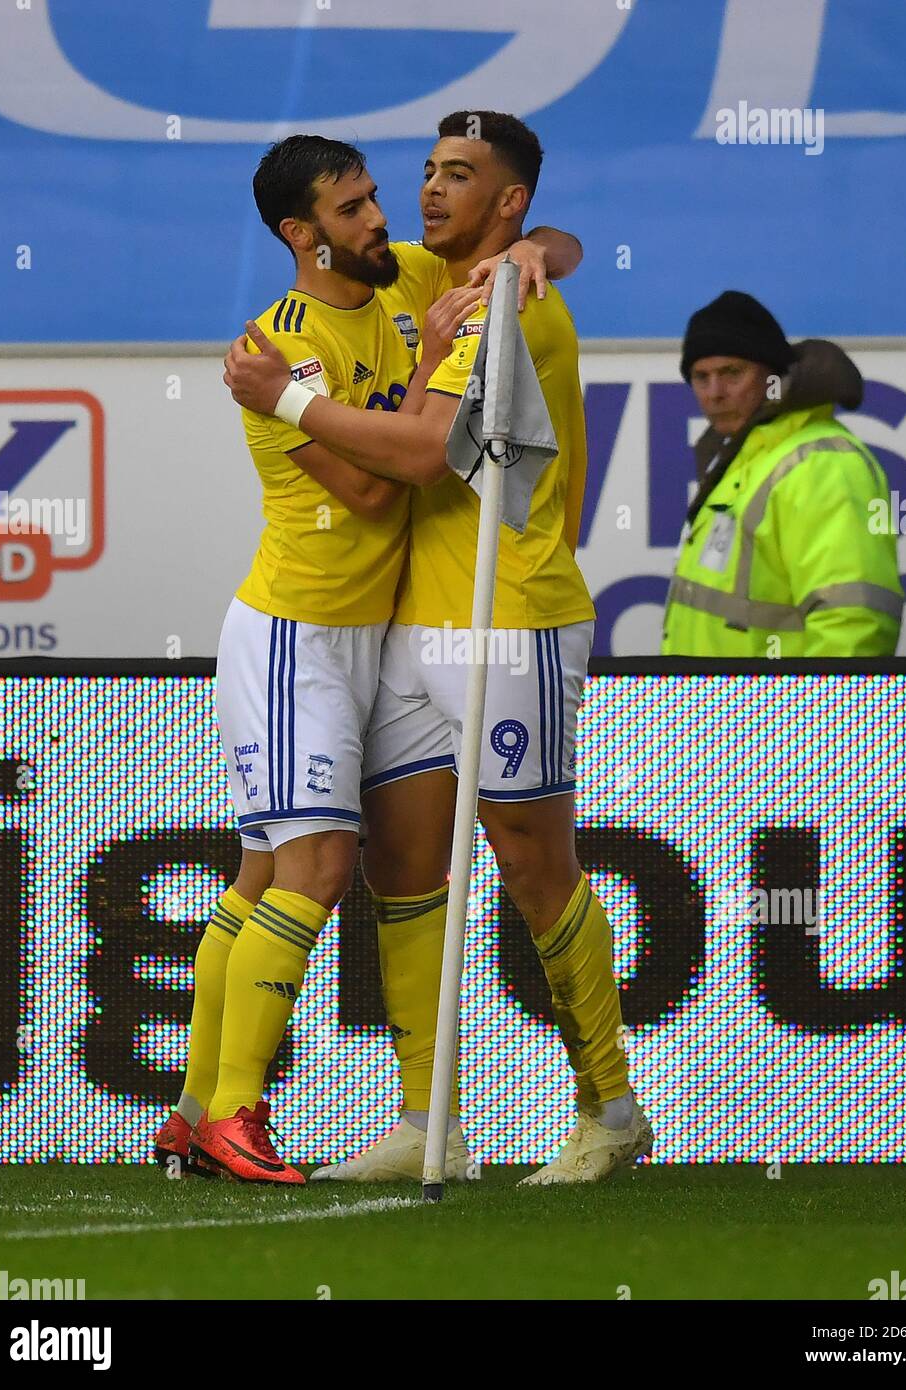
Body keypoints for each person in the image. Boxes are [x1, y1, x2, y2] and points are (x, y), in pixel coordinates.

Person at [224, 111, 654, 1186]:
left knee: (529, 861)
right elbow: (341, 265)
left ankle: (607, 1105)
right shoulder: (429, 272)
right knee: (406, 866)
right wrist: (541, 239)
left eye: (458, 177)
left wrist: (284, 398)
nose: (423, 194)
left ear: (505, 197)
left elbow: (421, 452)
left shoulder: (510, 301)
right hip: (415, 619)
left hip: (510, 614)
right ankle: (431, 1121)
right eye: (423, 173)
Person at [152, 133, 581, 1183]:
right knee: (314, 867)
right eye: (354, 209)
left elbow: (542, 240)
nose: (383, 217)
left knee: (276, 874)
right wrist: (414, 377)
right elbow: (378, 489)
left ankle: (200, 1106)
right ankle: (233, 1113)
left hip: (371, 635)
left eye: (378, 197)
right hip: (296, 631)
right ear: (304, 236)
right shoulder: (274, 353)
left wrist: (541, 250)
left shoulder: (401, 294)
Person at [662, 290, 903, 657]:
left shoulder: (821, 465)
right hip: (714, 711)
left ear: (774, 376)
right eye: (700, 376)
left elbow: (853, 623)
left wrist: (819, 714)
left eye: (732, 372)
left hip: (783, 713)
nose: (715, 393)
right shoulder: (746, 459)